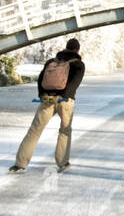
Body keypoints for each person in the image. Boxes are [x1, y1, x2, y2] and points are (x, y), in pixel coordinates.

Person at [10, 38, 85, 173]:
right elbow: (75, 83)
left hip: (47, 100)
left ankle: (20, 164)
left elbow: (40, 79)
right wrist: (64, 96)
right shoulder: (78, 65)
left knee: (35, 130)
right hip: (65, 101)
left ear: (65, 47)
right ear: (77, 50)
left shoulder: (52, 62)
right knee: (65, 130)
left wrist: (42, 94)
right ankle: (62, 162)